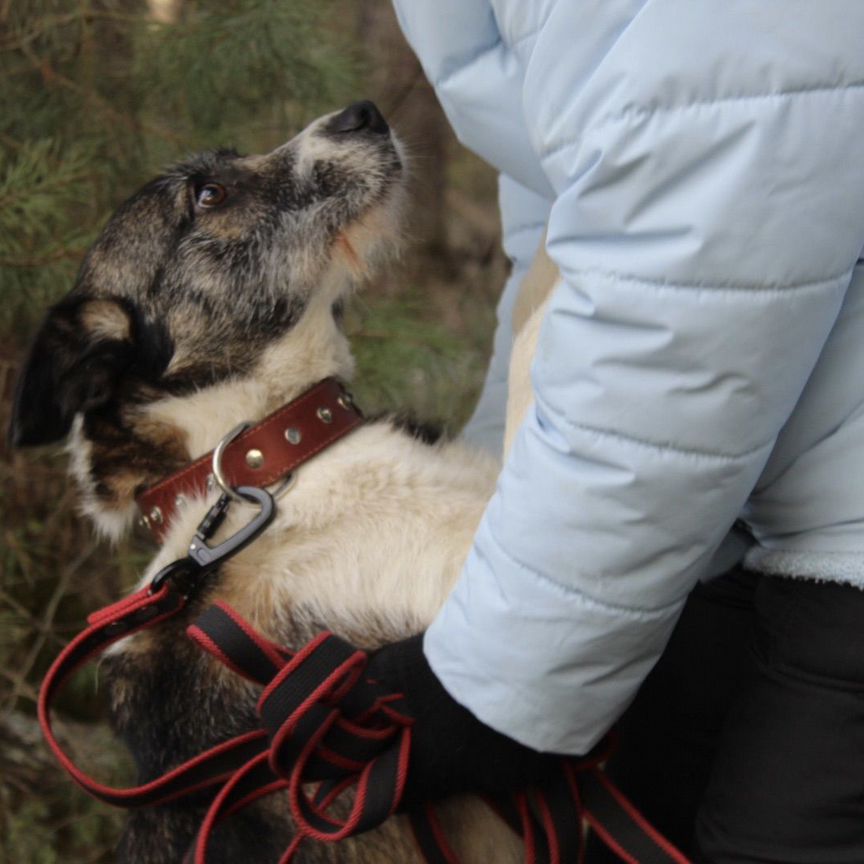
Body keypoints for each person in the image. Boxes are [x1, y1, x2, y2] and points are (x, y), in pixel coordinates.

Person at [367, 3, 864, 861]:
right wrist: (489, 535)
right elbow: (567, 252)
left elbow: (688, 243)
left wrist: (498, 676)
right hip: (747, 505)